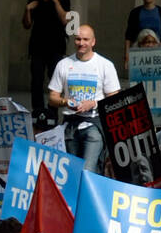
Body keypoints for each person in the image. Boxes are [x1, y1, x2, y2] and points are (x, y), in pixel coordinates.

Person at [48, 25, 120, 171]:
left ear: (93, 42)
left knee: (88, 171)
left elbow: (114, 99)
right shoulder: (63, 64)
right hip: (70, 125)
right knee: (72, 173)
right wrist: (65, 102)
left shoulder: (105, 65)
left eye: (86, 39)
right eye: (78, 39)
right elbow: (52, 98)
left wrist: (93, 104)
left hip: (94, 125)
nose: (81, 43)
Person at [23, 0, 72, 126]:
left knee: (55, 83)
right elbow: (26, 25)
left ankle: (52, 114)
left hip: (56, 47)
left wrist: (55, 0)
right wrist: (27, 10)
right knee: (36, 82)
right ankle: (37, 113)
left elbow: (66, 21)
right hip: (37, 47)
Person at [124, 0, 161, 66]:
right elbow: (129, 35)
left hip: (158, 51)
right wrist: (127, 54)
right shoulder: (135, 12)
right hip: (139, 52)